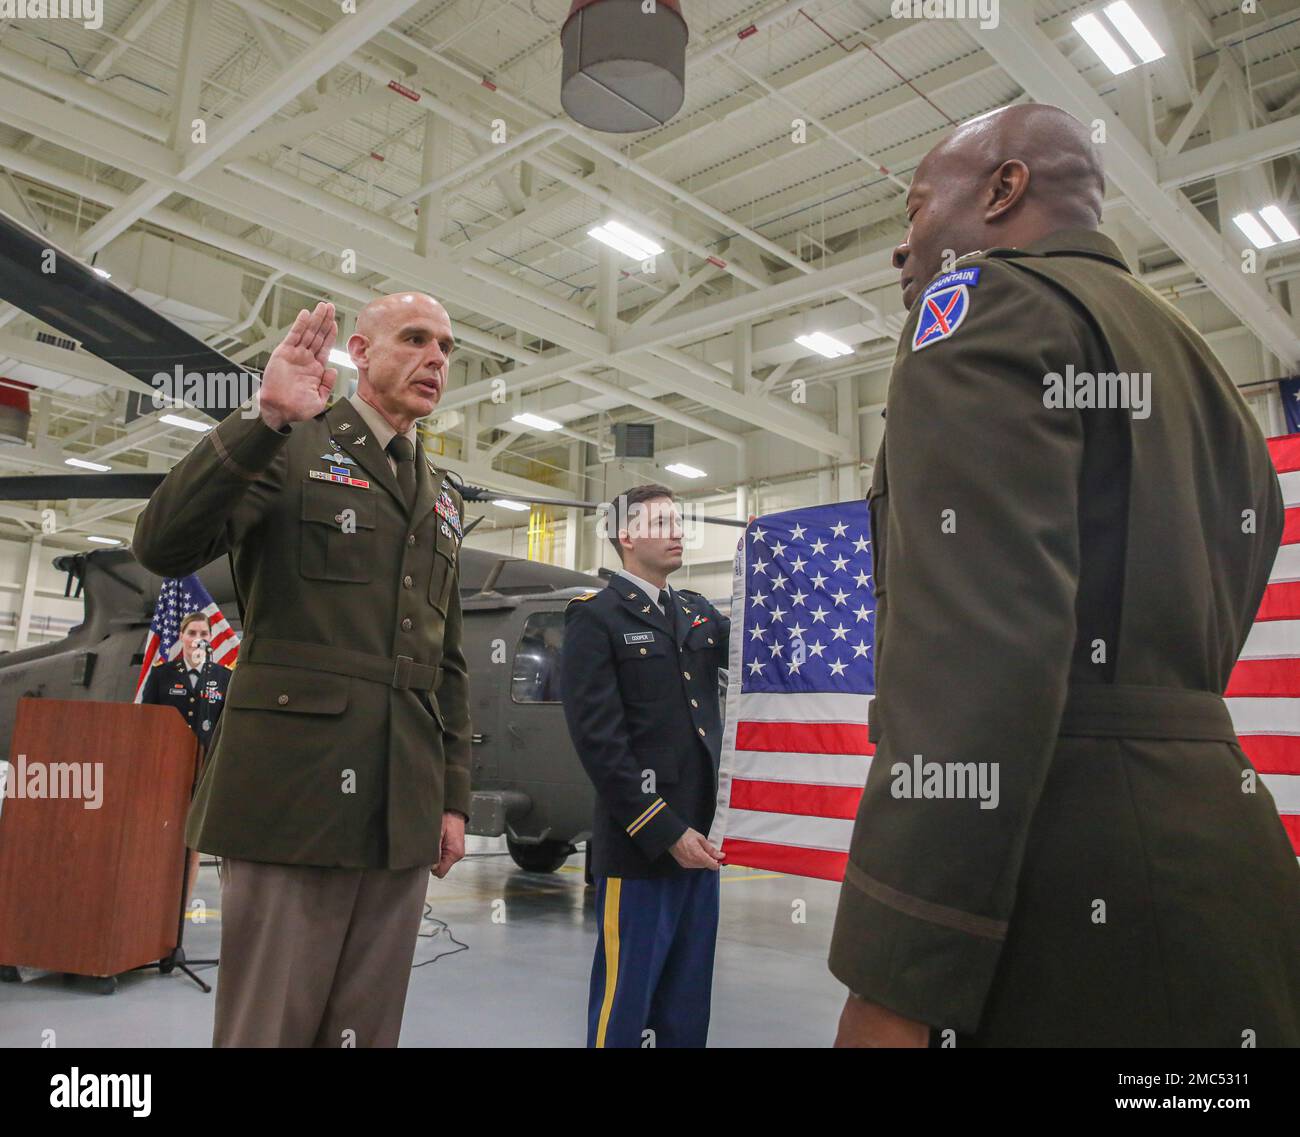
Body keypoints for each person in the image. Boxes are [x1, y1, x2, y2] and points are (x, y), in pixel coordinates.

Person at [828, 103, 1300, 1047]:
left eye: (917, 210)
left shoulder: (979, 311)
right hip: (1232, 875)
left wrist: (895, 973)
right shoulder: (1202, 367)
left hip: (1060, 895)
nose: (901, 249)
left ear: (1004, 190)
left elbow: (975, 663)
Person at [133, 294, 472, 1048]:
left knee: (364, 1031)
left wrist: (450, 797)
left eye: (446, 347)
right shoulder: (288, 445)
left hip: (401, 807)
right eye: (415, 339)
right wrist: (264, 419)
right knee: (271, 1027)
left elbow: (445, 661)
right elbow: (160, 545)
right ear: (360, 349)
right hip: (292, 794)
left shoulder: (440, 497)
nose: (437, 359)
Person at [560, 484, 731, 1048]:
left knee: (686, 1004)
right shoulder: (596, 617)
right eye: (662, 522)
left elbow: (763, 652)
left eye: (679, 521)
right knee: (626, 1001)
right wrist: (663, 830)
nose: (679, 531)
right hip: (642, 845)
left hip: (702, 840)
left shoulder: (696, 612)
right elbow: (600, 743)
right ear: (627, 536)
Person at [139, 611, 231, 751]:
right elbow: (146, 719)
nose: (197, 640)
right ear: (182, 636)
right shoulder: (161, 674)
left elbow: (227, 725)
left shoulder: (225, 677)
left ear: (210, 638)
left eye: (203, 634)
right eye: (192, 633)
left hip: (207, 760)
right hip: (166, 754)